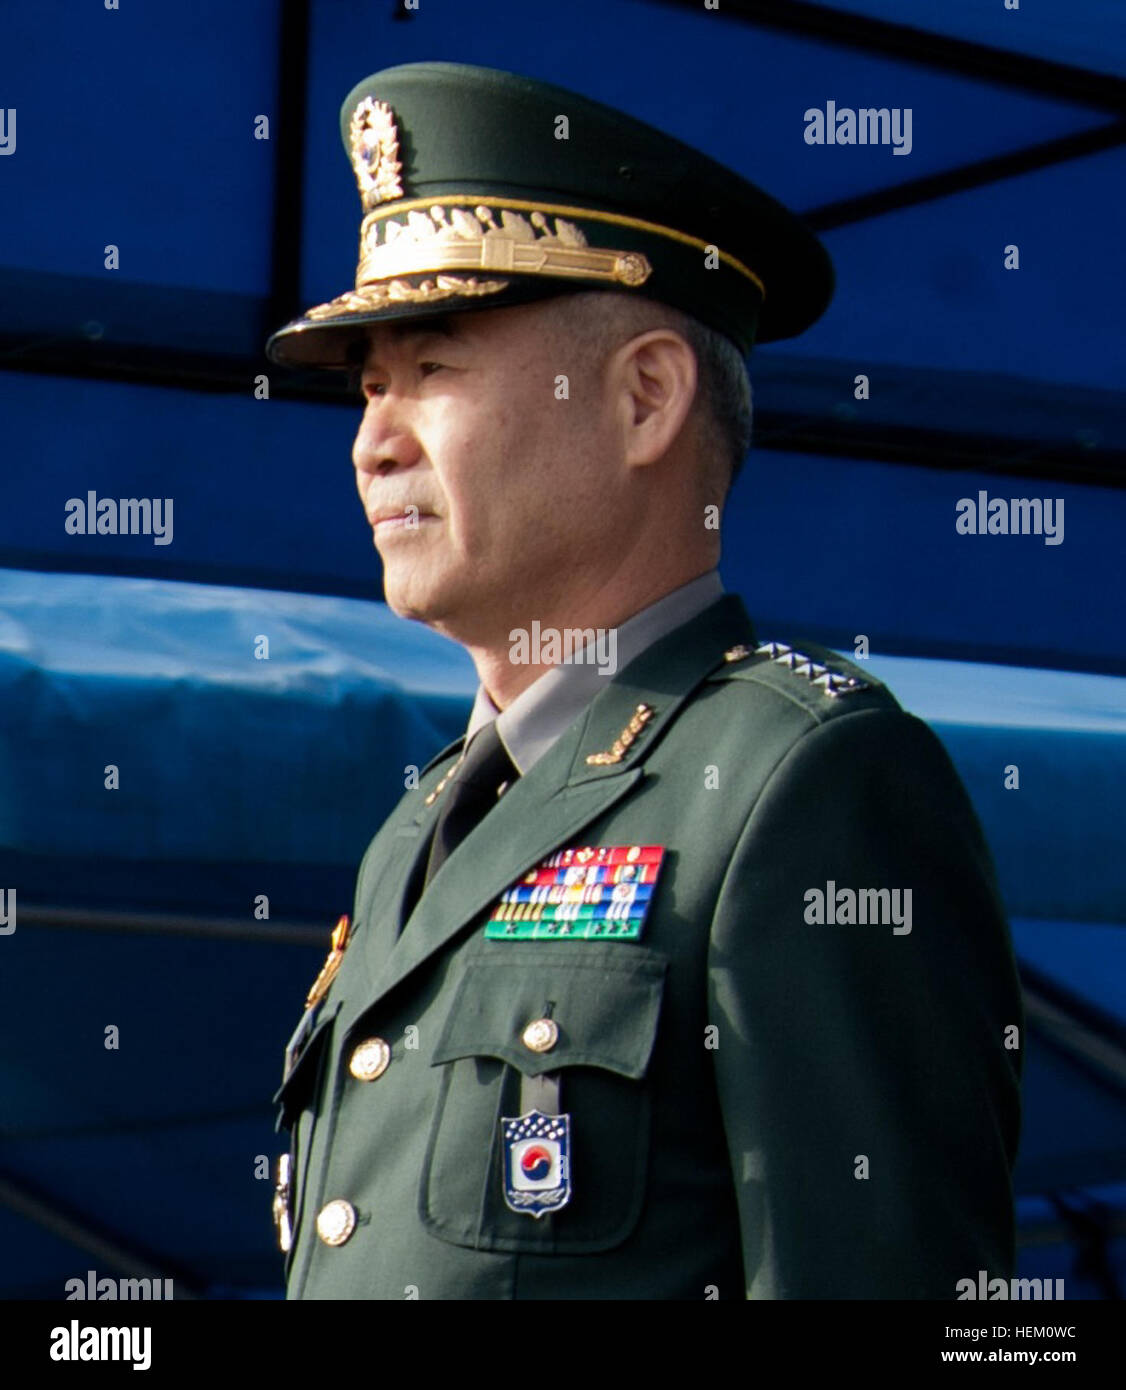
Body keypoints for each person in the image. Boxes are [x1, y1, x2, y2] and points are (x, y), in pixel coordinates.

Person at [265, 61, 1023, 1300]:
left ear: (645, 397)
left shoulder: (803, 781)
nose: (373, 439)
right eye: (368, 384)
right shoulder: (424, 821)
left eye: (435, 369)